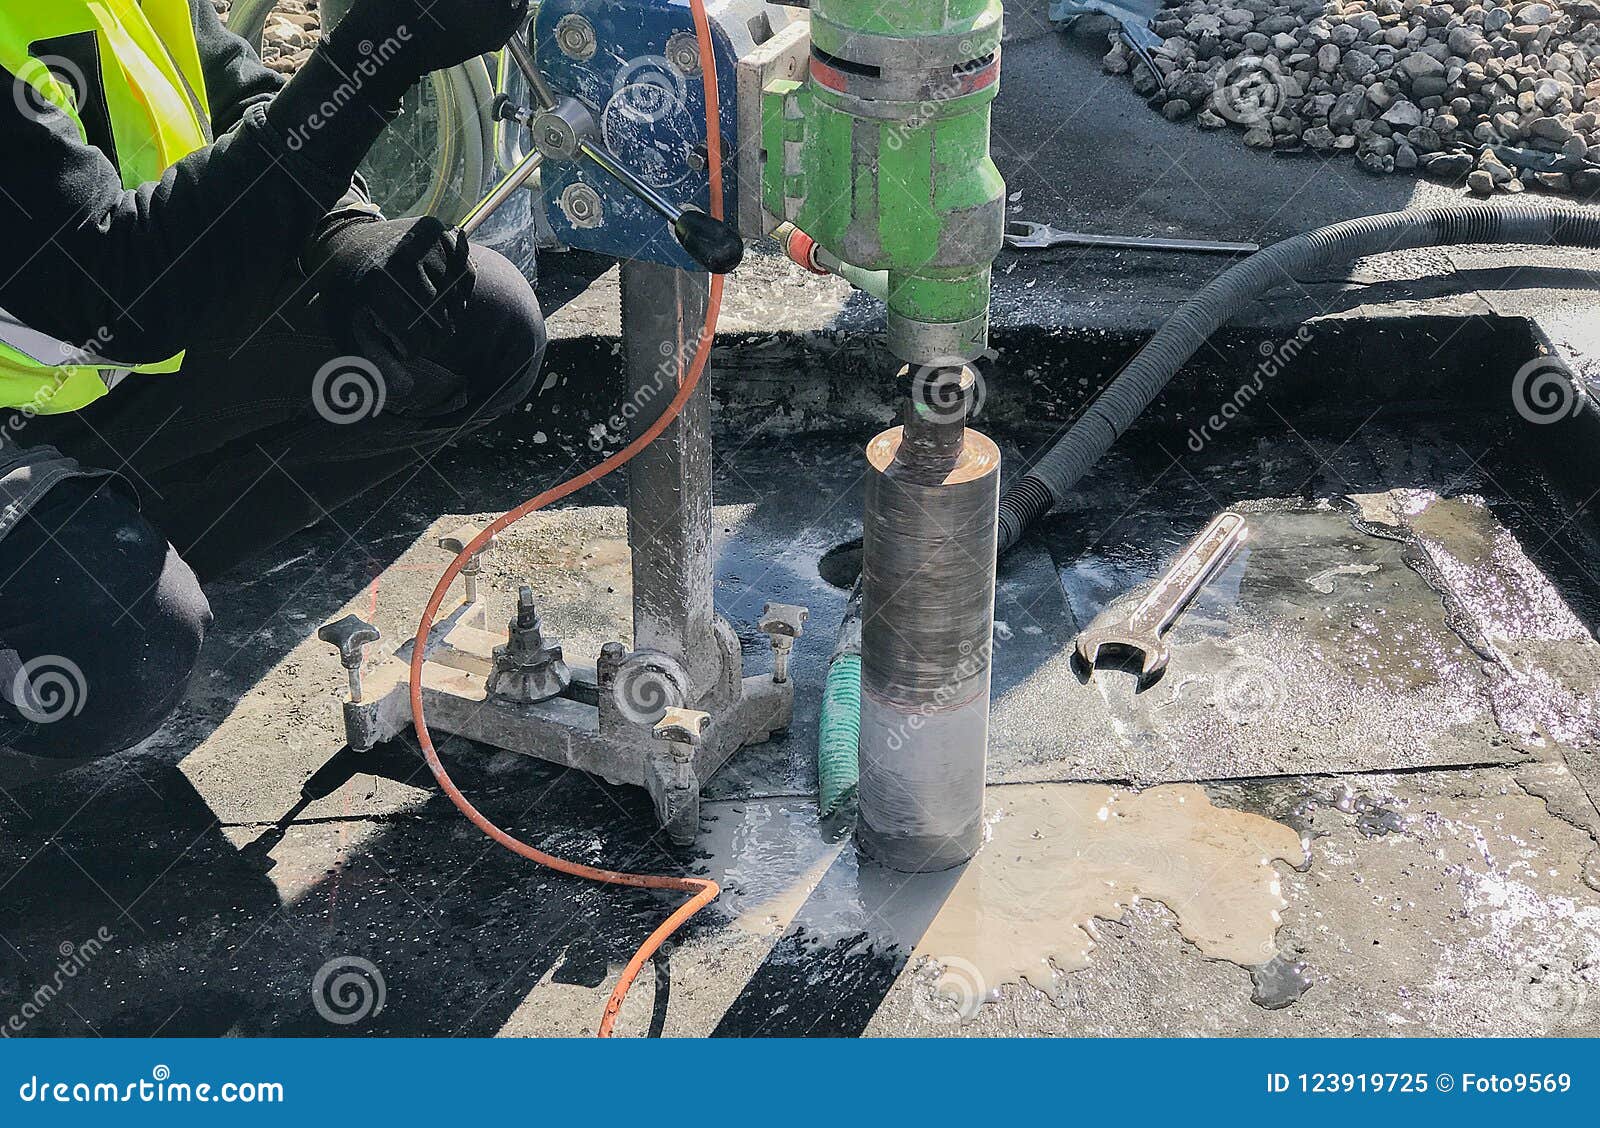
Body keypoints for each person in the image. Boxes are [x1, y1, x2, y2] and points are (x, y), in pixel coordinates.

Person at [0, 0, 544, 782]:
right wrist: (382, 50)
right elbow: (113, 290)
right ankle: (73, 596)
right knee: (108, 644)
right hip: (79, 357)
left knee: (469, 332)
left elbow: (237, 92)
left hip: (108, 373)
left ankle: (107, 539)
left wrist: (341, 232)